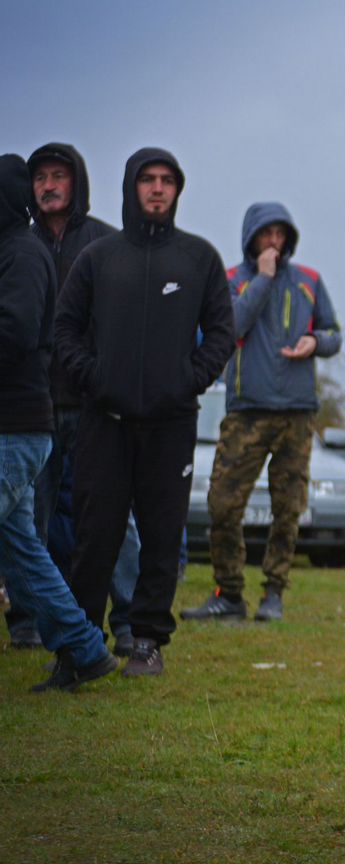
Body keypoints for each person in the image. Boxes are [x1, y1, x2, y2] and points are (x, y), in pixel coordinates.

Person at [54, 147, 234, 677]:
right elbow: (65, 328)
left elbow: (221, 333)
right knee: (95, 537)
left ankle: (147, 641)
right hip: (104, 423)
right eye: (148, 179)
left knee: (160, 539)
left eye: (167, 181)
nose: (157, 188)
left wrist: (187, 380)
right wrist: (94, 377)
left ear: (178, 190)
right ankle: (81, 647)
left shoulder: (199, 258)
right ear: (131, 186)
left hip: (170, 425)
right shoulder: (99, 258)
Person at [181, 203, 341, 623]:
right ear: (251, 237)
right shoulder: (232, 279)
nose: (273, 241)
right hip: (246, 412)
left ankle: (274, 593)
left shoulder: (309, 280)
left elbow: (333, 334)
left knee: (288, 509)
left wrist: (316, 343)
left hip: (297, 414)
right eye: (266, 233)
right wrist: (264, 278)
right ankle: (229, 594)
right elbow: (232, 325)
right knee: (222, 504)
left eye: (280, 234)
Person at [16, 142, 141, 657]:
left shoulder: (108, 244)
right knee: (29, 519)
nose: (48, 186)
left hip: (96, 404)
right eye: (40, 177)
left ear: (77, 182)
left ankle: (129, 622)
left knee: (115, 518)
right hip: (33, 407)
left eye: (57, 176)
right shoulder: (18, 245)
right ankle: (27, 620)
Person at [0, 152, 117, 691]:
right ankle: (85, 649)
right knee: (24, 552)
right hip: (20, 425)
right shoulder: (18, 248)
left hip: (15, 428)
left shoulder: (21, 254)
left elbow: (18, 331)